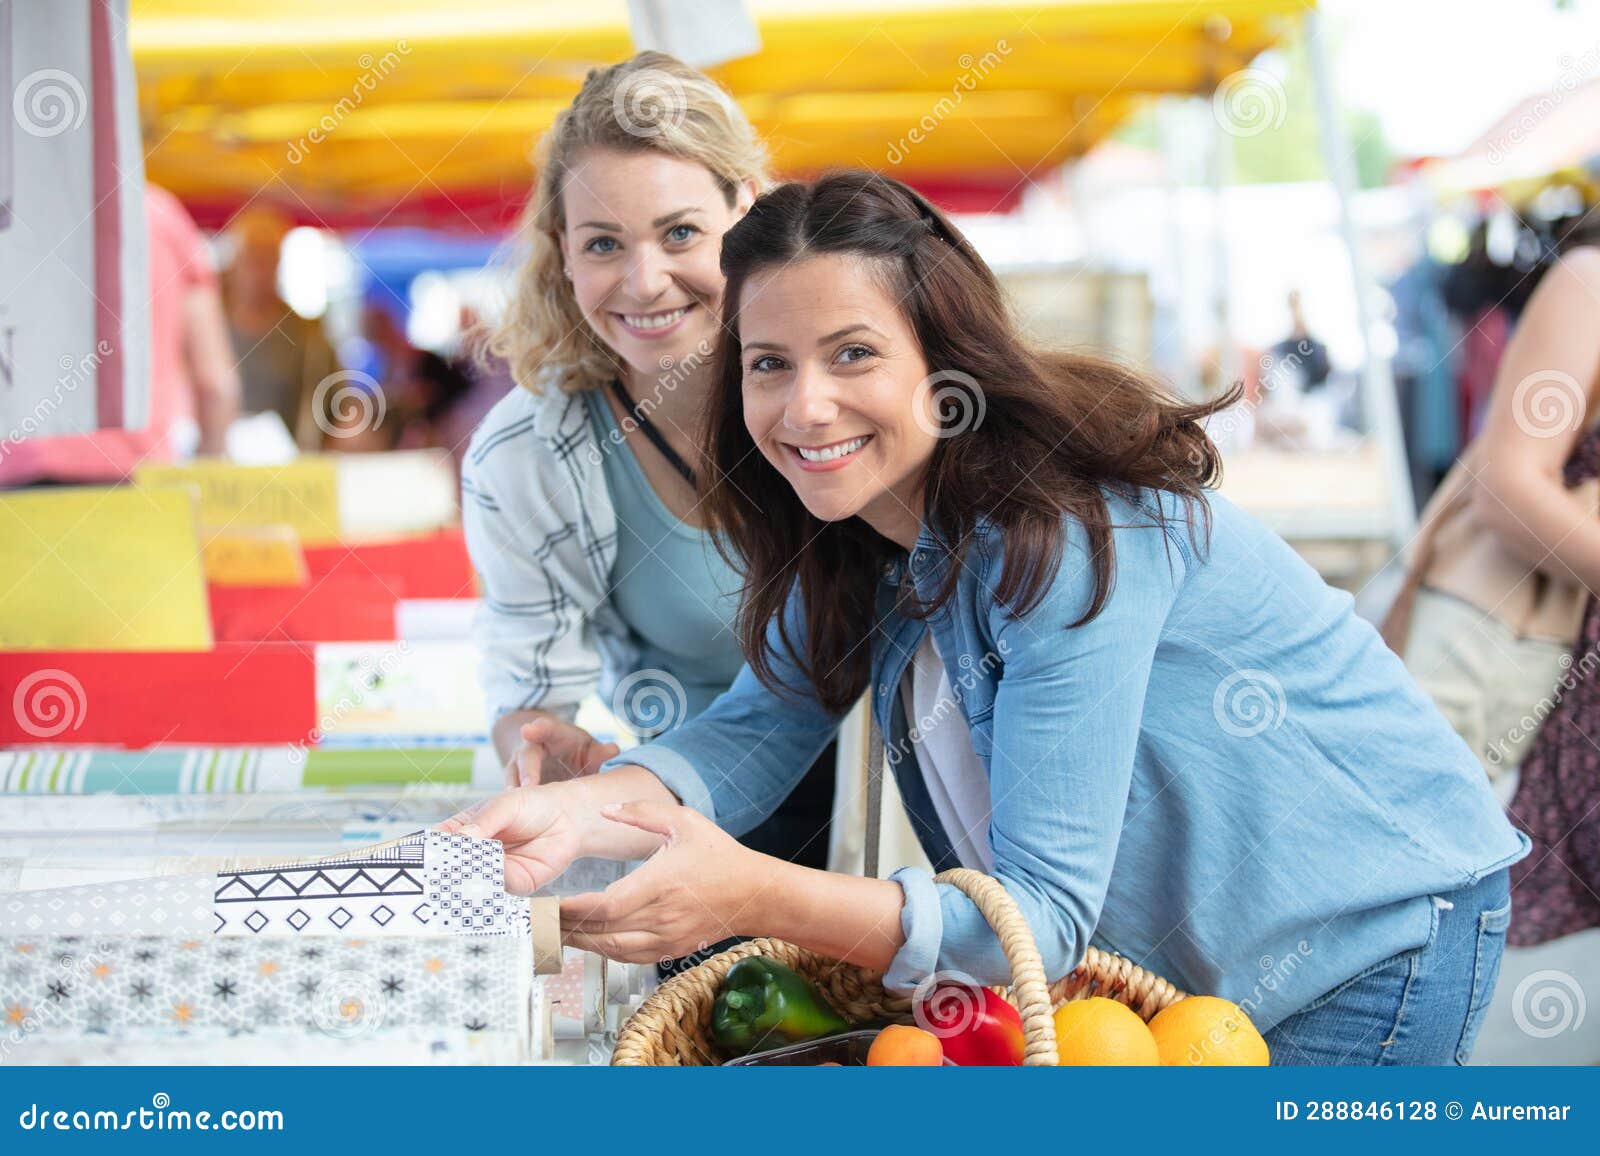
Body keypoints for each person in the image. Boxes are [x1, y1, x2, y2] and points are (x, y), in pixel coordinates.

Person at [445, 170, 1531, 1065]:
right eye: (768, 366)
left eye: (853, 354)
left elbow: (1040, 917)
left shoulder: (1056, 534)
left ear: (945, 363)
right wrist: (584, 813)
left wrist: (749, 895)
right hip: (1184, 969)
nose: (802, 405)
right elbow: (751, 728)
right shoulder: (854, 529)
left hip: (1369, 935)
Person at [458, 53, 837, 942]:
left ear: (747, 212)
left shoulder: (841, 394)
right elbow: (531, 686)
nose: (643, 281)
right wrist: (538, 738)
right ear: (561, 254)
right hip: (694, 823)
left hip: (906, 807)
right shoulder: (529, 456)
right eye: (603, 244)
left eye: (678, 234)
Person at [0, 183, 240, 486]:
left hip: (20, 475)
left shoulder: (18, 208)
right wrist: (211, 470)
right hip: (136, 475)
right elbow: (215, 383)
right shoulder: (163, 218)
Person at [220, 205, 339, 449]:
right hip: (219, 469)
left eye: (268, 260)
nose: (259, 272)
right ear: (233, 263)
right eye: (252, 259)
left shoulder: (307, 335)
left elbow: (338, 400)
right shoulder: (210, 328)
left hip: (289, 471)